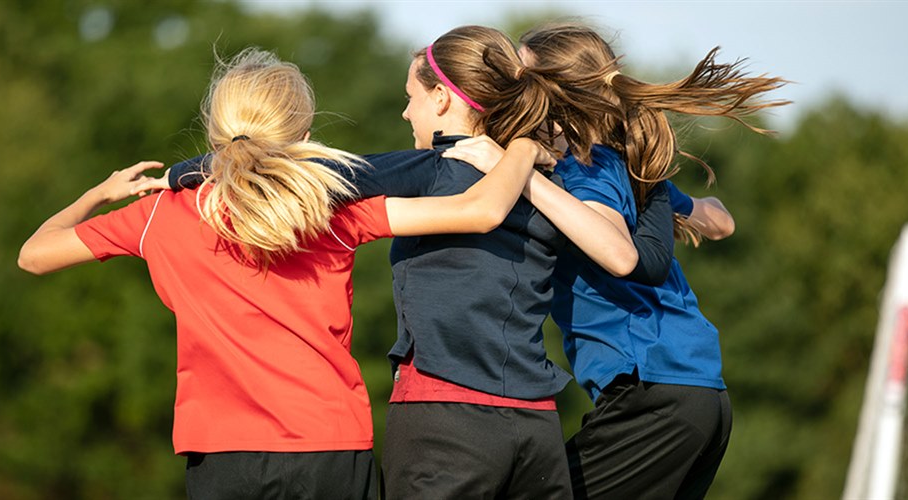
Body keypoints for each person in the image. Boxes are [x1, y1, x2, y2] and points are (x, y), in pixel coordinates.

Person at [156, 26, 680, 498]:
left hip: (445, 421)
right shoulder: (558, 183)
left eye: (411, 98)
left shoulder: (433, 168)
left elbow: (289, 171)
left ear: (441, 97)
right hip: (536, 425)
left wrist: (190, 170)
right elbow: (646, 257)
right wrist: (668, 198)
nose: (406, 112)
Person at [17, 48, 559, 500]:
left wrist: (97, 194)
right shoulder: (327, 207)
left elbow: (34, 255)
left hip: (223, 452)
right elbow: (482, 210)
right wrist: (522, 149)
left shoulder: (159, 213)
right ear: (300, 127)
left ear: (215, 125)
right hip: (331, 446)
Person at [446, 22, 787, 500]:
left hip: (653, 392)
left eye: (523, 78)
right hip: (701, 396)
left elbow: (621, 255)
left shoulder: (580, 173)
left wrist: (519, 176)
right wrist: (665, 200)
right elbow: (721, 220)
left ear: (553, 93)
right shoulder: (621, 167)